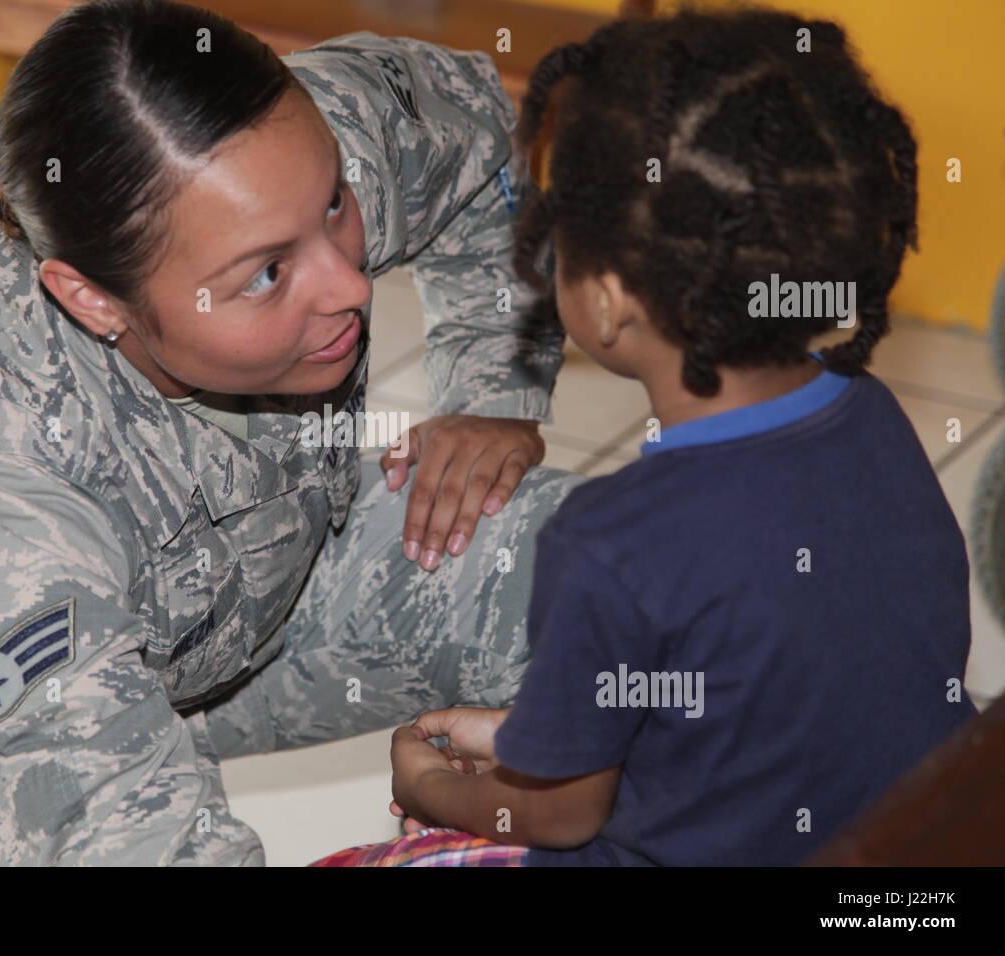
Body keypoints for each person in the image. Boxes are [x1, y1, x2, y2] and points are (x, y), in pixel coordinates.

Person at [0, 0, 579, 865]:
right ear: (91, 300)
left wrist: (497, 385)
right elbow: (122, 839)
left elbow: (475, 134)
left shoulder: (273, 156)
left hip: (238, 596)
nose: (347, 283)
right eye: (268, 274)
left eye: (337, 207)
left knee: (599, 571)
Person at [312, 7, 979, 867]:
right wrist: (540, 733)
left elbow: (555, 817)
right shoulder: (876, 415)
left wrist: (429, 786)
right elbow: (792, 684)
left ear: (608, 297)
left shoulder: (610, 542)